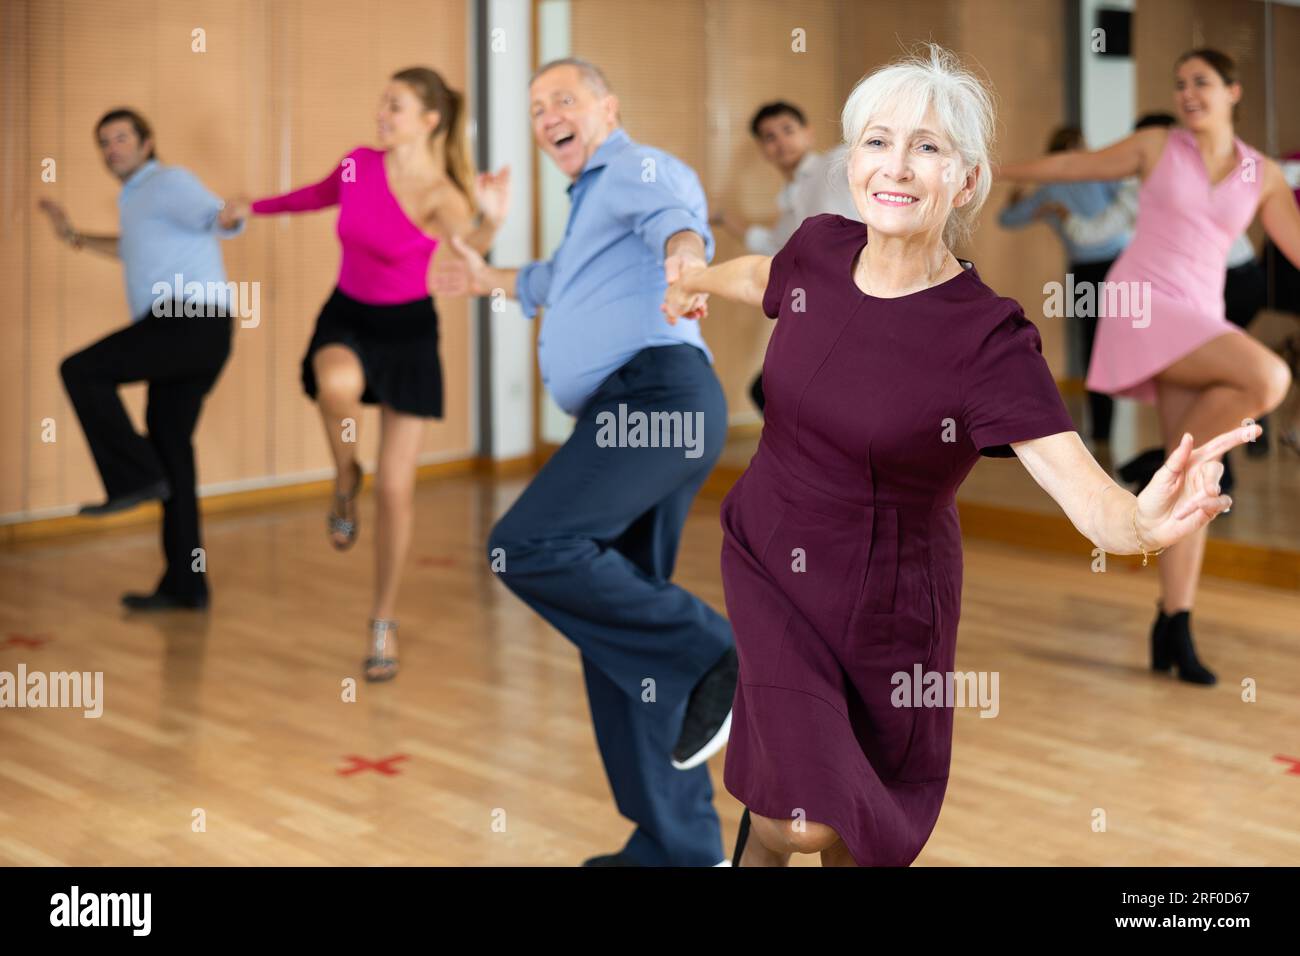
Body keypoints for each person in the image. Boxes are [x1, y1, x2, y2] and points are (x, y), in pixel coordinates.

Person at [661, 44, 1255, 867]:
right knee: (802, 816)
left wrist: (1145, 521)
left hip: (887, 599)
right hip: (768, 557)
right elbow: (761, 273)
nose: (895, 165)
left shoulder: (986, 337)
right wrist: (694, 277)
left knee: (860, 821)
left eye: (927, 147)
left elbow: (1087, 496)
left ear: (966, 181)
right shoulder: (821, 249)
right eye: (876, 141)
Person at [438, 58, 736, 867]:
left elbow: (676, 218)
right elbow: (546, 282)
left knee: (525, 544)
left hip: (654, 401)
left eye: (562, 100)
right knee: (619, 635)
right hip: (638, 410)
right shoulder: (587, 212)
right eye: (536, 109)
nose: (547, 118)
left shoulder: (633, 168)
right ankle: (677, 847)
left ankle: (715, 650)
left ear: (607, 106)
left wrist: (683, 257)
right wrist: (484, 276)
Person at [1001, 48, 1298, 685]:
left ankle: (1174, 624)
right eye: (1181, 82)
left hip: (1200, 315)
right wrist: (992, 169)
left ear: (1234, 90)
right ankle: (1154, 470)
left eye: (1203, 82)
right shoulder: (1157, 144)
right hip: (1144, 304)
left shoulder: (1263, 174)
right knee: (1270, 377)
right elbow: (1073, 165)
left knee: (1199, 481)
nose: (1189, 92)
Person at [220, 68, 509, 682]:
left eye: (395, 106)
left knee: (399, 492)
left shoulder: (442, 194)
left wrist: (494, 220)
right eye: (382, 102)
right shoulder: (359, 164)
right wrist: (254, 206)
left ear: (429, 120)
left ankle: (382, 620)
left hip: (406, 333)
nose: (382, 113)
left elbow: (471, 244)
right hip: (347, 317)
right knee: (335, 389)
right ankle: (345, 474)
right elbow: (314, 195)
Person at [43, 108, 241, 611]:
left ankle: (134, 477)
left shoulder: (169, 182)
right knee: (172, 448)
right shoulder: (135, 201)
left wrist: (229, 216)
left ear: (147, 142)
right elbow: (134, 249)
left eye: (122, 138)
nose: (113, 150)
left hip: (187, 321)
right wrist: (74, 237)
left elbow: (214, 216)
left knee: (81, 370)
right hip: (197, 333)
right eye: (104, 143)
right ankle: (186, 582)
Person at [711, 101, 861, 413]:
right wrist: (725, 218)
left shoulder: (834, 164)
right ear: (763, 149)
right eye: (769, 137)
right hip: (826, 315)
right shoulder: (791, 201)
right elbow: (776, 248)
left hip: (860, 307)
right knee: (769, 392)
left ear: (808, 134)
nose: (780, 142)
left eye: (787, 130)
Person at [998, 125, 1130, 450]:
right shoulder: (1093, 177)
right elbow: (1132, 203)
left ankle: (1101, 430)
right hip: (1115, 265)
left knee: (1095, 346)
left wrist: (1019, 196)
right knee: (1107, 346)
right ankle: (1102, 428)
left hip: (1093, 270)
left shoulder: (1050, 189)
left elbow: (1008, 219)